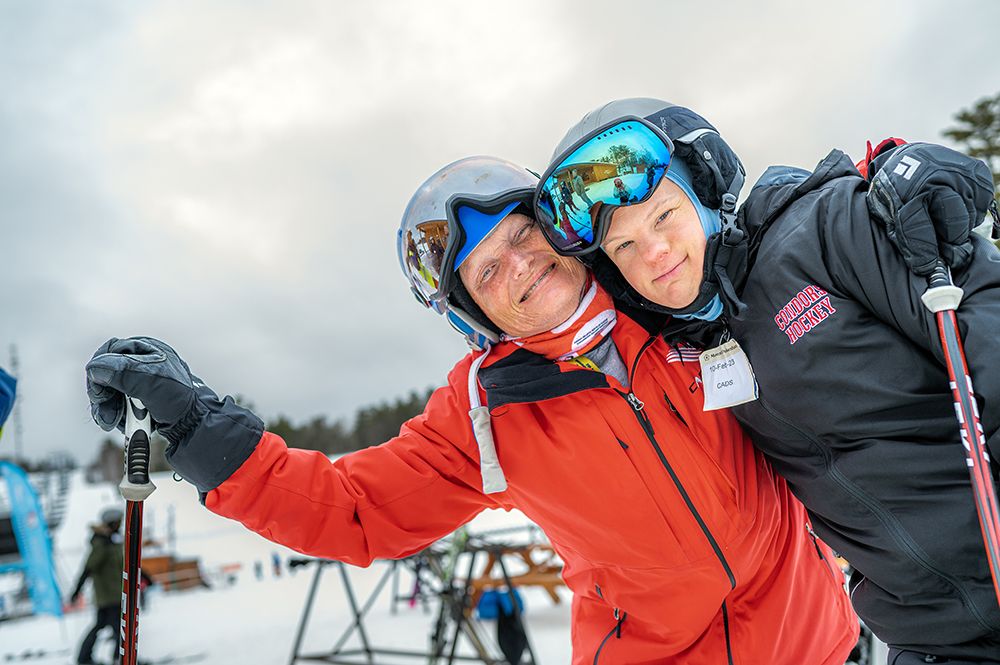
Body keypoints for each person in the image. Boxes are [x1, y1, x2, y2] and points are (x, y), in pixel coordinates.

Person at [85, 156, 858, 664]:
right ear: (474, 316)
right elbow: (353, 509)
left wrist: (882, 190)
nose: (521, 263)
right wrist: (196, 430)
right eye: (489, 269)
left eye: (525, 233)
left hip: (825, 642)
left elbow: (800, 245)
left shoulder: (674, 291)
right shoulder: (488, 410)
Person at [533, 97, 1000, 664]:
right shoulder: (693, 351)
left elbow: (984, 322)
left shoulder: (827, 230)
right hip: (931, 641)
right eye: (624, 246)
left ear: (706, 194)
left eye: (664, 216)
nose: (653, 253)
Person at [70, 507, 125, 665]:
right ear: (112, 523)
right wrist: (77, 590)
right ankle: (118, 658)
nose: (120, 525)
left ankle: (87, 658)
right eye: (118, 522)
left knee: (105, 626)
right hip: (108, 595)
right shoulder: (102, 543)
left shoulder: (112, 541)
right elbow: (89, 567)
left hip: (115, 592)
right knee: (117, 628)